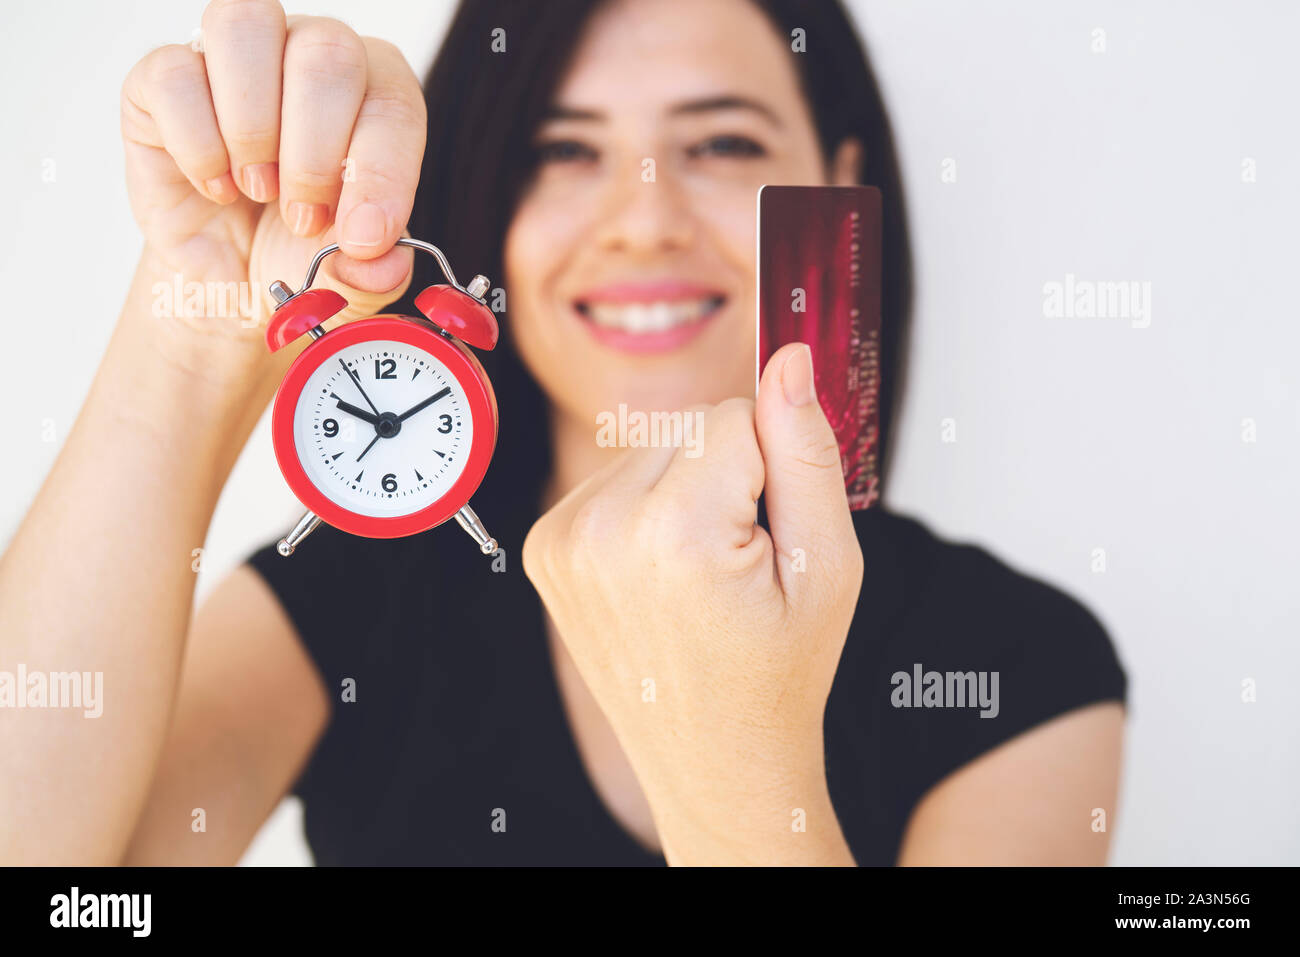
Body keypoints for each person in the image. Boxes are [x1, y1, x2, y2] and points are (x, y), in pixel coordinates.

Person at [0, 0, 1125, 866]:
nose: (643, 221)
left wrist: (730, 757)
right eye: (562, 151)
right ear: (487, 208)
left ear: (838, 187)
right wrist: (191, 332)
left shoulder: (1015, 660)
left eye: (723, 143)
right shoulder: (357, 592)